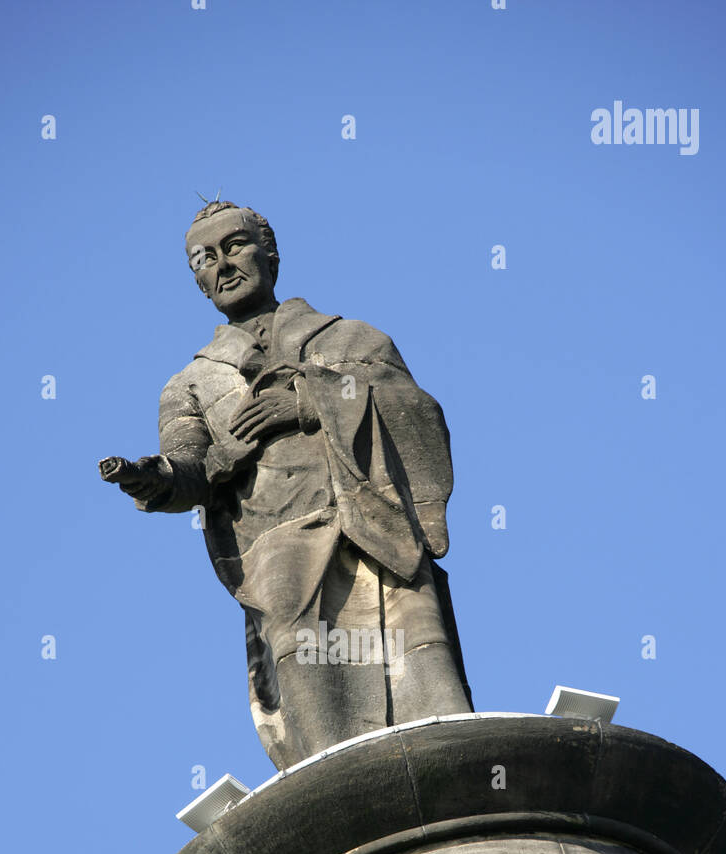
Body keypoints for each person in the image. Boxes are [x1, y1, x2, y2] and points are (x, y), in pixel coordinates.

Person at [100, 201, 472, 771]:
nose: (221, 265)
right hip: (278, 550)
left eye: (235, 246)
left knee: (421, 669)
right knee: (315, 701)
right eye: (204, 258)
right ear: (197, 281)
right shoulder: (190, 384)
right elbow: (190, 468)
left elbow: (415, 410)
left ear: (269, 252)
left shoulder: (350, 337)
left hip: (376, 529)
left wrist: (306, 403)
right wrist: (158, 479)